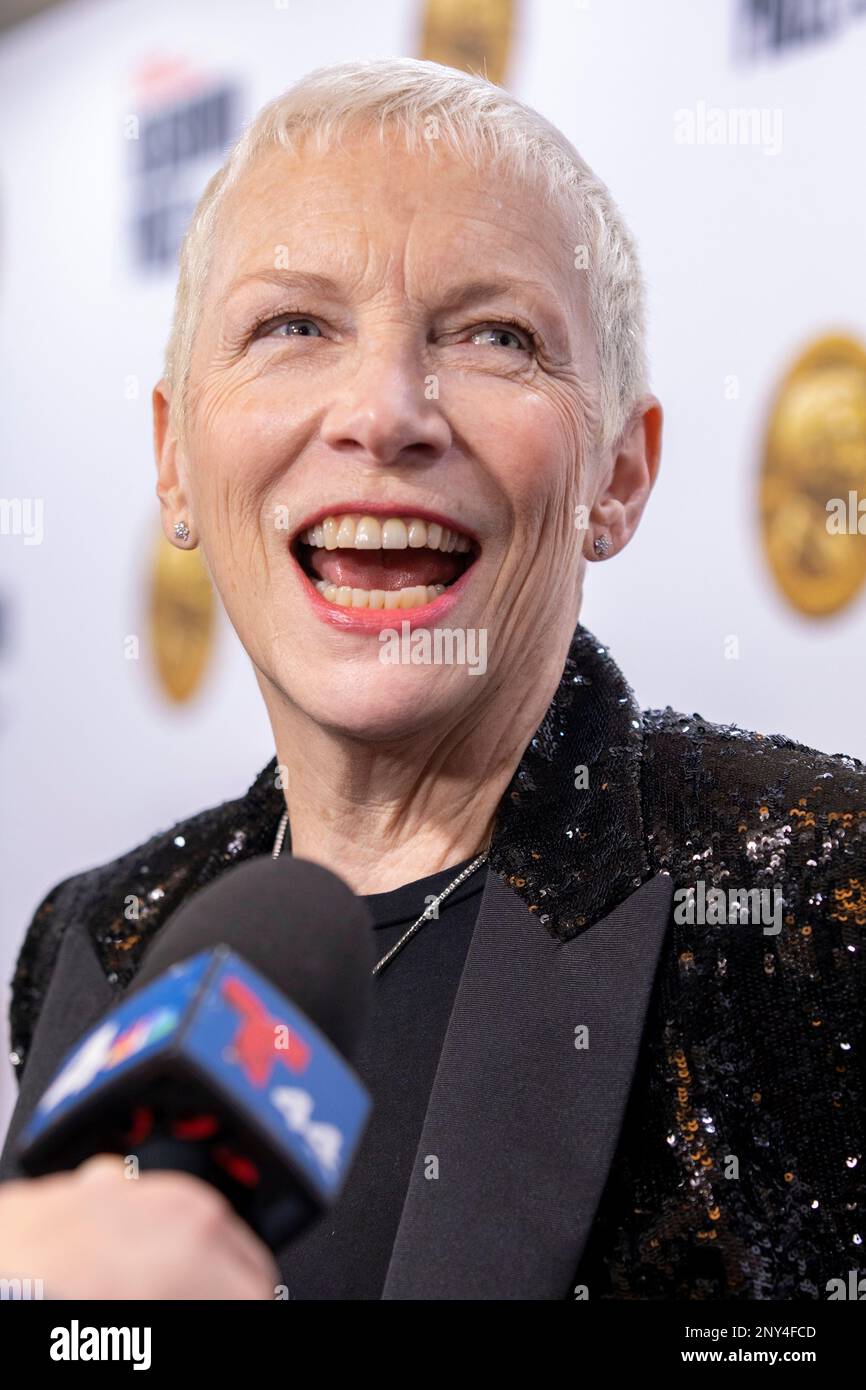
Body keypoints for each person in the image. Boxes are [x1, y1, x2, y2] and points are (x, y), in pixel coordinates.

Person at [1, 57, 863, 1301]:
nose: (385, 409)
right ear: (174, 461)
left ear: (617, 474)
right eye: (292, 326)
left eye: (492, 335)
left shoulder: (814, 902)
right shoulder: (98, 939)